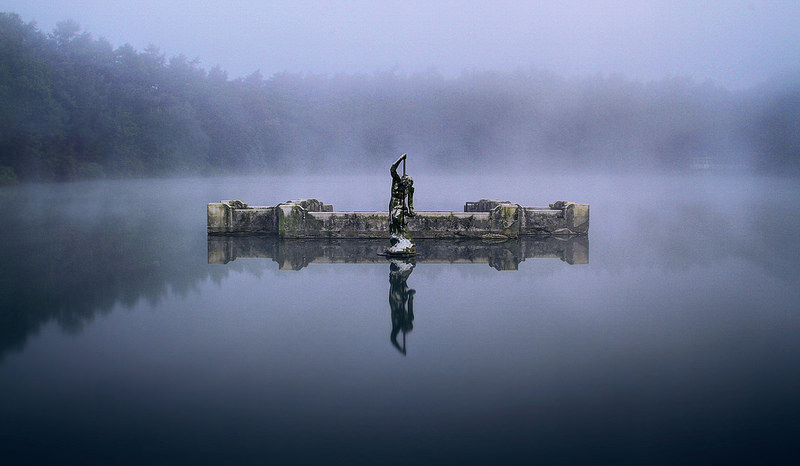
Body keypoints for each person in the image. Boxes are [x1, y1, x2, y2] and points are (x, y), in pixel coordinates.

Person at [388, 153, 415, 249]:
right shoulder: (397, 181)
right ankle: (397, 240)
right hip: (394, 204)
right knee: (394, 222)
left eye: (408, 184)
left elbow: (410, 201)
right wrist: (400, 159)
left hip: (402, 206)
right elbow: (392, 169)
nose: (407, 185)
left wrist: (411, 210)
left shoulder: (410, 189)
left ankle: (405, 242)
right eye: (406, 183)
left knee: (401, 222)